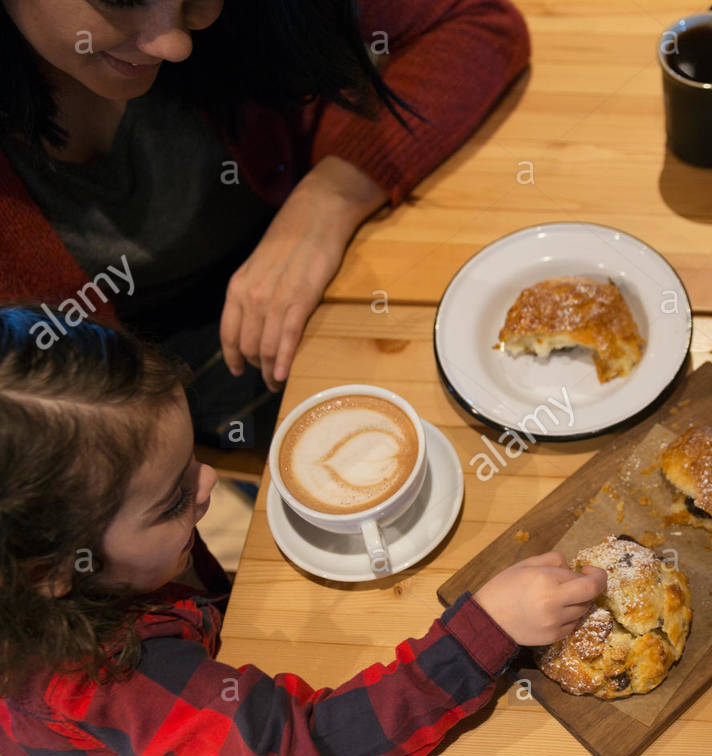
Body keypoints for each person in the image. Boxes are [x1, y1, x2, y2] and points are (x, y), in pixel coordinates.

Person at [0, 307, 605, 756]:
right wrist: (481, 635)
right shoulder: (111, 676)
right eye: (171, 501)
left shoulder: (87, 568)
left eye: (191, 459)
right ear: (50, 570)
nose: (209, 481)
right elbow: (301, 753)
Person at [0, 0, 528, 446]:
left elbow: (478, 20)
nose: (174, 44)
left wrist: (329, 197)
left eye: (194, 0)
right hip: (135, 387)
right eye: (122, 1)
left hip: (311, 255)